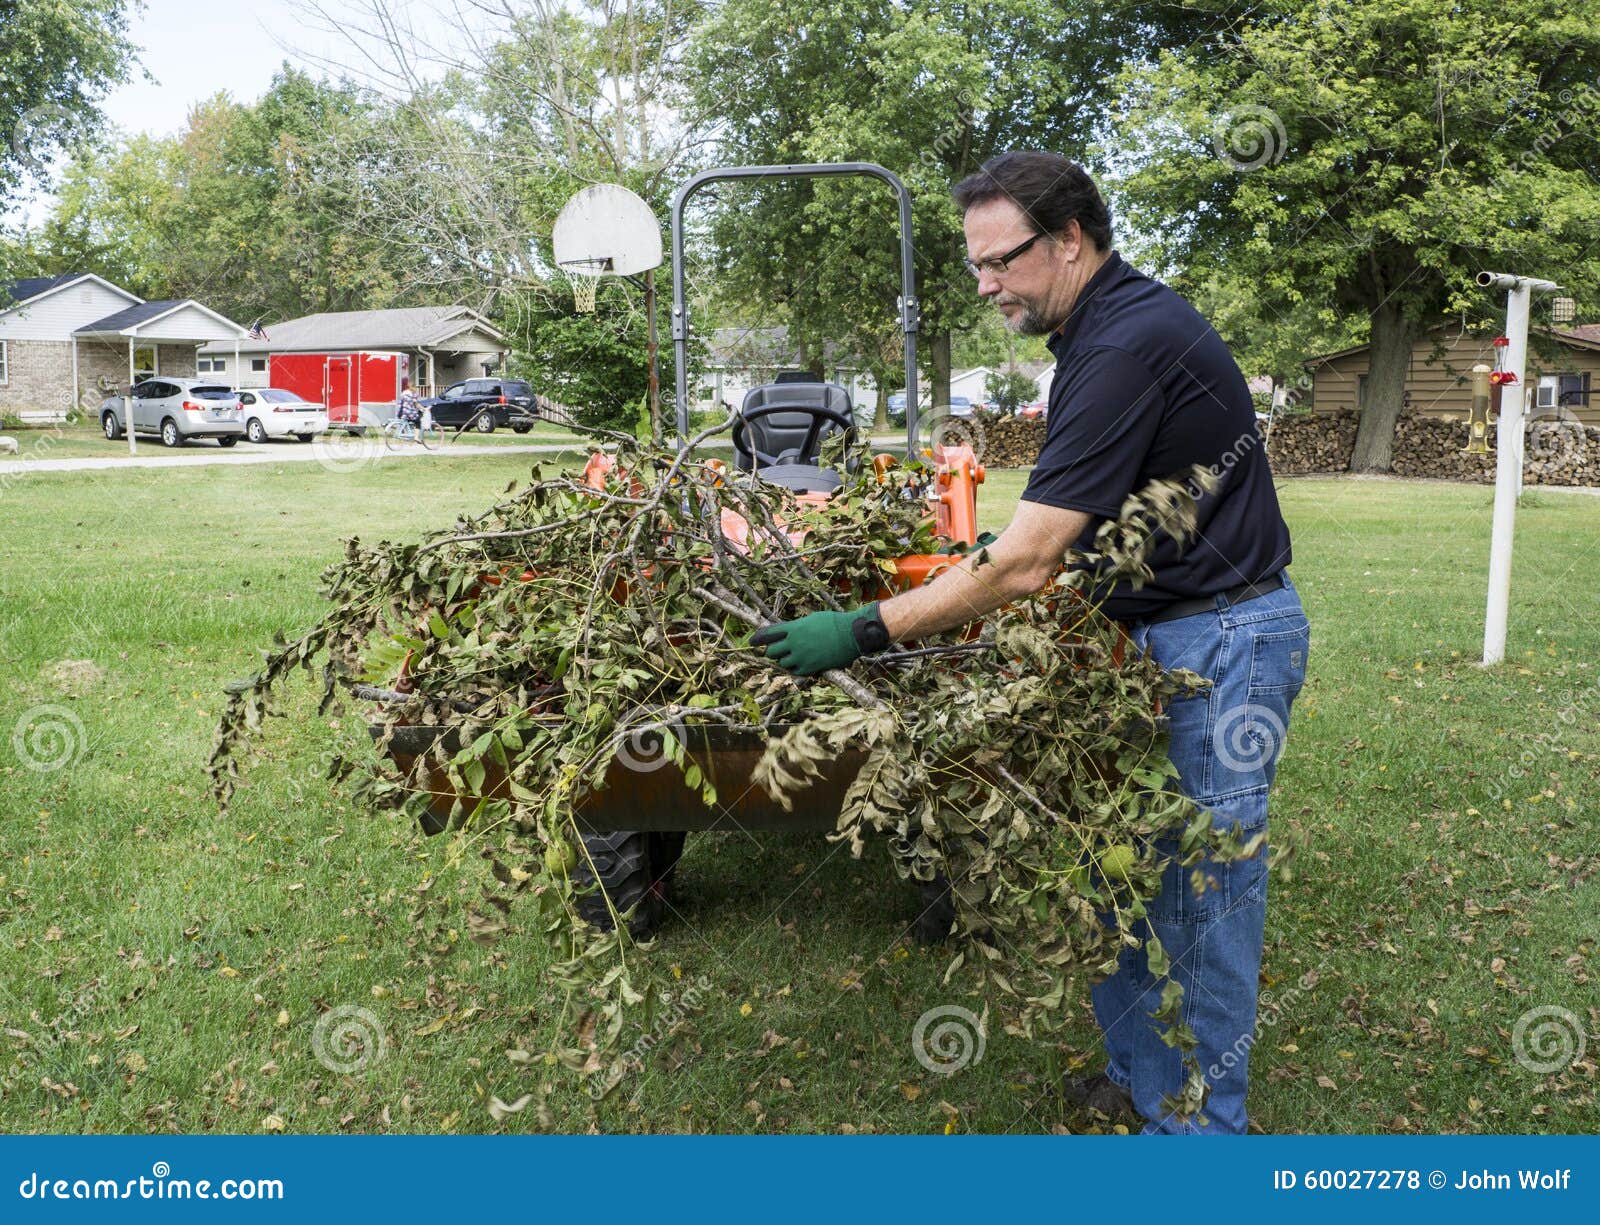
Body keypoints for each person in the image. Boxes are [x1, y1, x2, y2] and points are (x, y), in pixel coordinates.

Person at [750, 151, 1309, 1135]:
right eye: (973, 266)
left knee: (1196, 897)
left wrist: (863, 629)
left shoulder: (1126, 345)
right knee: (1118, 872)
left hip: (1219, 643)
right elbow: (1051, 528)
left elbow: (1024, 562)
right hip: (1145, 636)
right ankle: (1140, 1082)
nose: (983, 286)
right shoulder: (1102, 334)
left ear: (1067, 241)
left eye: (998, 261)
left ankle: (1199, 1135)